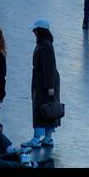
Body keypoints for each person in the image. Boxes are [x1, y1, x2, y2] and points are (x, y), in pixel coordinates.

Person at [26, 20, 61, 150]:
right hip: (47, 81)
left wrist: (49, 86)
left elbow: (48, 67)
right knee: (48, 109)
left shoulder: (44, 45)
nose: (33, 32)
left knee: (40, 109)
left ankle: (37, 138)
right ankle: (48, 137)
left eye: (35, 29)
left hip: (43, 82)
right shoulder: (46, 44)